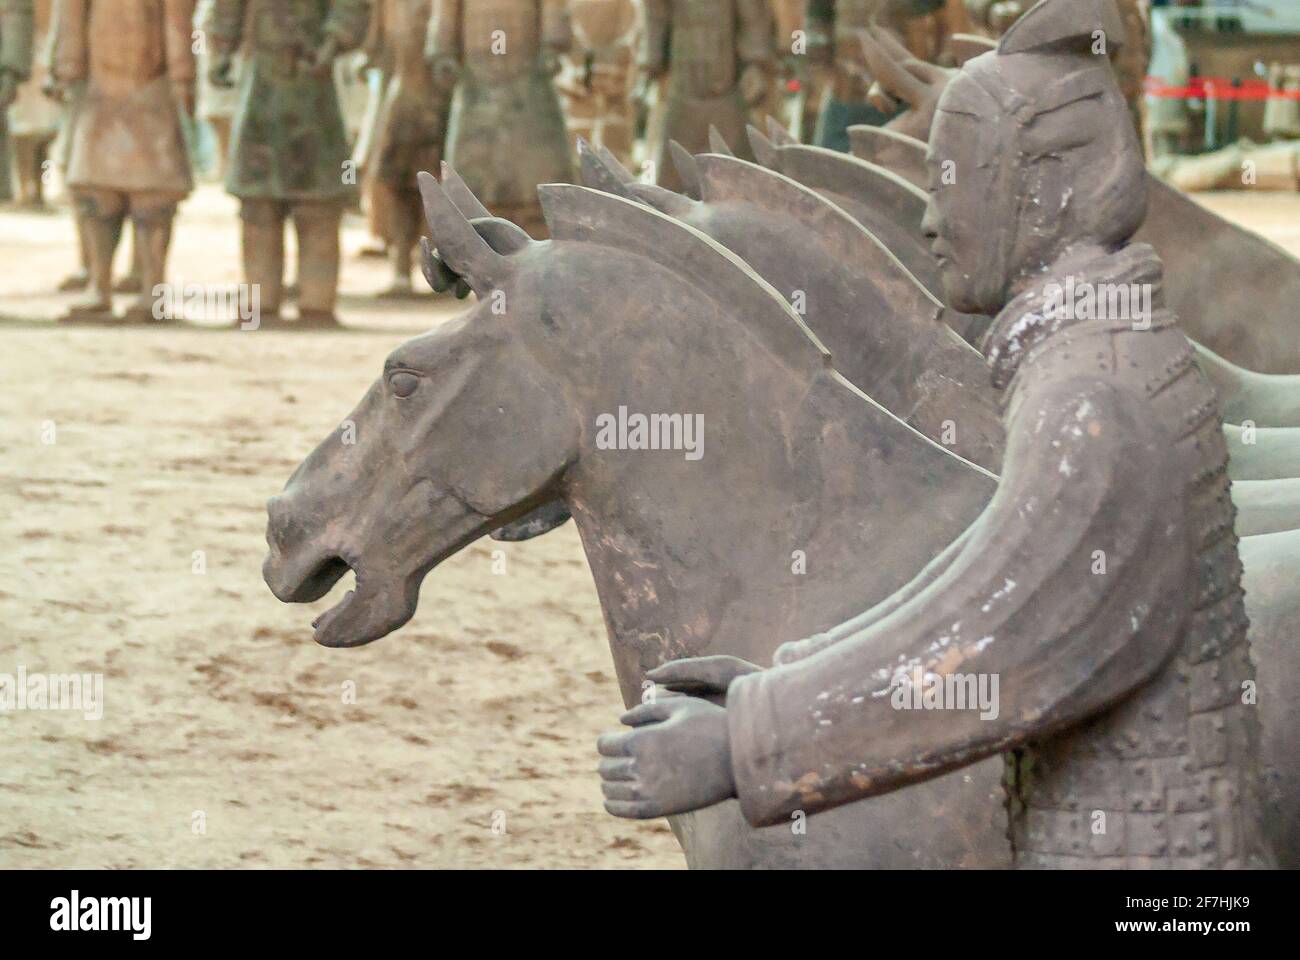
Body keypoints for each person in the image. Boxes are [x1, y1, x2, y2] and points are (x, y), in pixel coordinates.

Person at [597, 0, 1273, 869]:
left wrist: (742, 744)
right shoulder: (1090, 355)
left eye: (954, 183)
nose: (925, 222)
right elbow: (987, 572)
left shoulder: (1094, 395)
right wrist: (782, 676)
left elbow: (1006, 642)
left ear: (1047, 189)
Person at [209, 0, 372, 328]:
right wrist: (223, 49)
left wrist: (332, 43)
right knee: (257, 205)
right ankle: (261, 303)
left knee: (320, 208)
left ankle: (317, 302)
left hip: (315, 79)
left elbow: (350, 6)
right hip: (262, 83)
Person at [50, 0, 196, 323]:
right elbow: (71, 15)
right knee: (97, 197)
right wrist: (68, 67)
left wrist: (182, 74)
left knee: (154, 201)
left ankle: (152, 292)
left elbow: (177, 16)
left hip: (150, 89)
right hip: (100, 89)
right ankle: (98, 287)